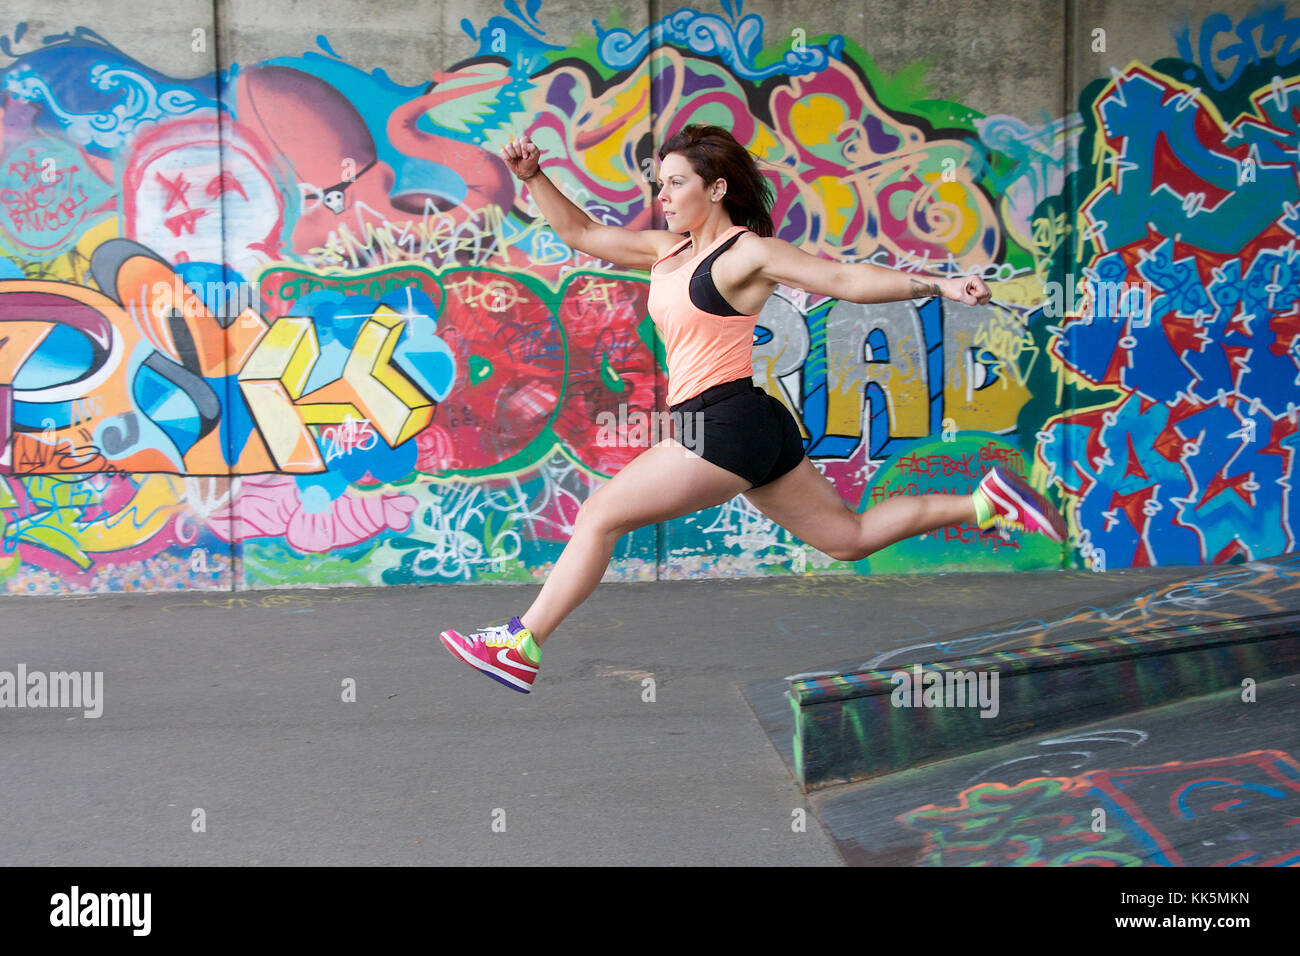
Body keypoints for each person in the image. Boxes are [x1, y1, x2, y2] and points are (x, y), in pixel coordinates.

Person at [439, 124, 1066, 693]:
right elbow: (580, 233)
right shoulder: (666, 250)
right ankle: (986, 502)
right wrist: (534, 178)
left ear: (715, 189)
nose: (664, 196)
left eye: (676, 184)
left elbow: (845, 280)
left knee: (600, 514)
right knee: (846, 538)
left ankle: (521, 643)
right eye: (660, 185)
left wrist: (941, 284)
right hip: (739, 422)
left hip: (723, 422)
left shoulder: (746, 255)